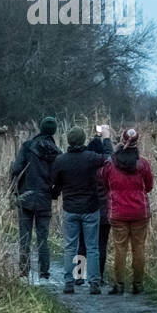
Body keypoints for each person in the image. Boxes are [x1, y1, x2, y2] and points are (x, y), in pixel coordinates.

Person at [50, 125, 113, 294]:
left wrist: (55, 193)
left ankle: (69, 282)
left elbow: (54, 182)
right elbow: (109, 158)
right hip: (90, 208)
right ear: (83, 140)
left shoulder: (61, 160)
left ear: (69, 141)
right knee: (93, 247)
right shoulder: (91, 158)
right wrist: (106, 138)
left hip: (70, 208)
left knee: (70, 246)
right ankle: (94, 283)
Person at [100, 127, 154, 294]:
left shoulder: (110, 163)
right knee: (139, 248)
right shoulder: (143, 163)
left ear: (122, 141)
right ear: (137, 143)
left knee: (120, 248)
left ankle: (119, 284)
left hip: (118, 213)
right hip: (139, 211)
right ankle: (137, 285)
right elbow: (149, 186)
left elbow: (104, 183)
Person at [10, 117, 61, 280]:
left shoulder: (27, 147)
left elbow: (17, 169)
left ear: (40, 128)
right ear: (54, 131)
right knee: (43, 238)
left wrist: (13, 190)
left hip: (26, 197)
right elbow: (60, 178)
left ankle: (24, 271)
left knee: (24, 236)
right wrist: (54, 193)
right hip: (44, 199)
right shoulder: (57, 153)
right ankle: (44, 272)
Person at [76, 131, 112, 284]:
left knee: (82, 244)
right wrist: (107, 138)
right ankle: (99, 277)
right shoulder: (109, 169)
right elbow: (111, 156)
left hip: (86, 208)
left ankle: (78, 275)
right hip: (104, 211)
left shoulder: (85, 167)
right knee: (101, 245)